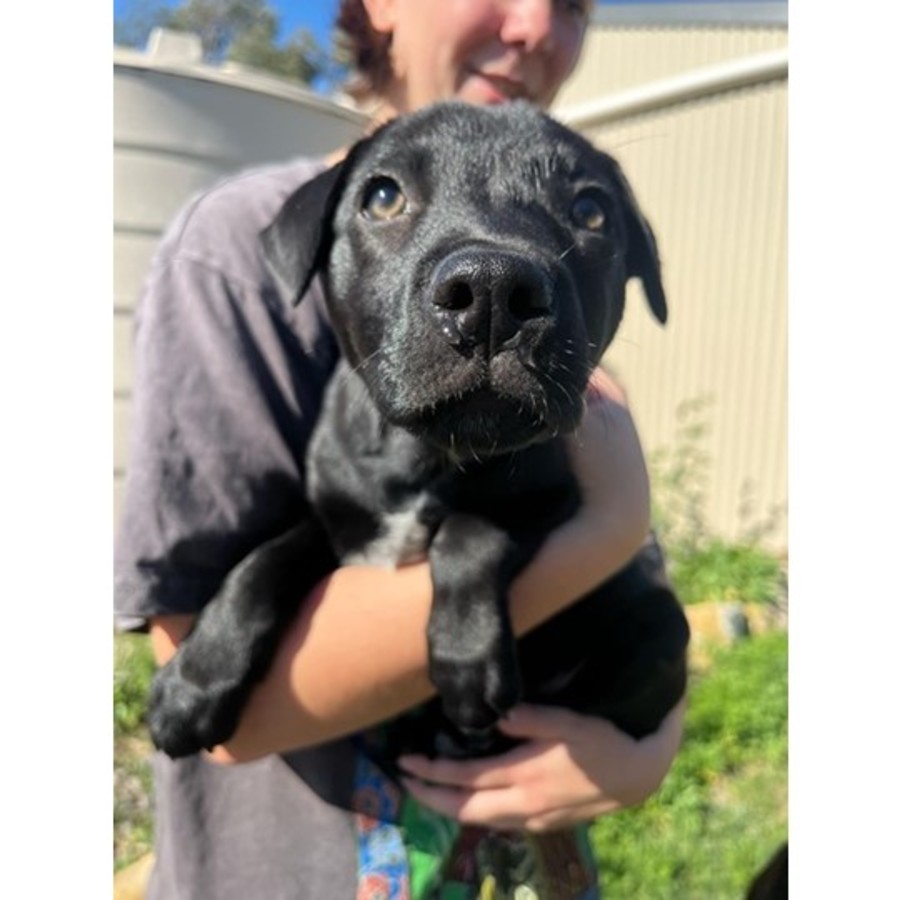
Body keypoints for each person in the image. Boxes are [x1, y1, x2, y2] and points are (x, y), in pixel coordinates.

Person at [114, 1, 687, 897]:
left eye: (583, 210)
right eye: (387, 198)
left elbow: (640, 614)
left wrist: (647, 749)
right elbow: (213, 697)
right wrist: (607, 528)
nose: (535, 22)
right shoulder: (227, 259)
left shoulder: (568, 377)